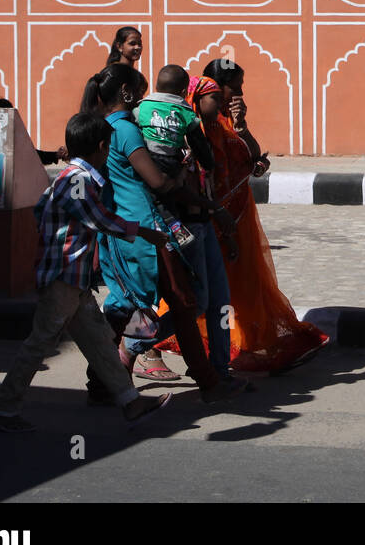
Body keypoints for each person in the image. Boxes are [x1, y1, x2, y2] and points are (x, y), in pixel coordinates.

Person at [0, 112, 173, 432]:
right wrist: (144, 232)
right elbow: (100, 220)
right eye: (109, 145)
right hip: (64, 279)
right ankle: (3, 408)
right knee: (39, 342)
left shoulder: (71, 177)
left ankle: (131, 402)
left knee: (99, 340)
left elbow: (47, 212)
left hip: (73, 279)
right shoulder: (78, 182)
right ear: (101, 147)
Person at [80, 64, 248, 404]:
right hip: (148, 230)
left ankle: (104, 379)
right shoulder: (126, 130)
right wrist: (182, 183)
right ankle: (126, 367)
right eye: (139, 92)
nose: (145, 99)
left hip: (127, 229)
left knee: (134, 305)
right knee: (182, 303)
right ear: (126, 94)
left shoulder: (107, 128)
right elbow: (155, 181)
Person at [195, 59, 328, 373]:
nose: (239, 93)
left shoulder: (231, 120)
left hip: (239, 214)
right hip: (215, 218)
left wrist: (243, 130)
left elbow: (250, 153)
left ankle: (250, 342)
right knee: (211, 283)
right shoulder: (202, 124)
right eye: (234, 87)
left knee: (245, 279)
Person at [135, 65, 214, 180]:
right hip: (171, 163)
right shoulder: (185, 111)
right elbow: (198, 143)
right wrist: (208, 165)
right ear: (184, 92)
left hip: (147, 160)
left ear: (157, 86)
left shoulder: (142, 106)